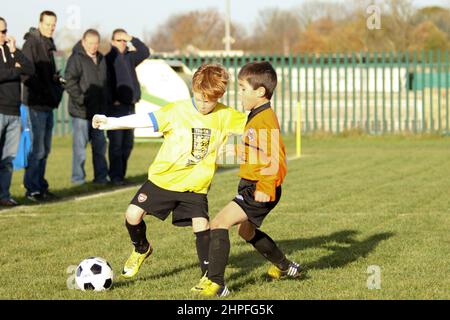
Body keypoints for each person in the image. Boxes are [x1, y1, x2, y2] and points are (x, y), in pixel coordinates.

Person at [92, 64, 247, 280]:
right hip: (162, 180)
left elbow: (254, 124)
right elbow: (146, 120)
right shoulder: (177, 110)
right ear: (194, 89)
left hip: (195, 186)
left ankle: (208, 278)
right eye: (200, 98)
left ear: (219, 96)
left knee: (201, 226)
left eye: (209, 100)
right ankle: (141, 248)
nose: (203, 105)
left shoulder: (226, 115)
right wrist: (112, 122)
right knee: (132, 215)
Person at [195, 61, 303, 298]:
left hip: (259, 188)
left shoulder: (265, 119)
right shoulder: (256, 116)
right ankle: (286, 267)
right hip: (254, 185)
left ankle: (216, 284)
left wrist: (265, 186)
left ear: (260, 92)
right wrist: (233, 152)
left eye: (243, 89)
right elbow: (257, 151)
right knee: (246, 231)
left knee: (219, 224)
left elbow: (276, 158)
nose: (239, 94)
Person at [22, 10, 64, 202]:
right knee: (37, 149)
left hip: (47, 104)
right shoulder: (32, 43)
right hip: (36, 104)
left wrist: (55, 82)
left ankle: (40, 186)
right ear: (39, 23)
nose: (51, 27)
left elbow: (47, 75)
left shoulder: (48, 44)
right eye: (48, 24)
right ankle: (32, 189)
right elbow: (27, 74)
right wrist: (46, 89)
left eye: (53, 24)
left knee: (45, 149)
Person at [105, 29, 150, 186]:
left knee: (127, 143)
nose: (122, 43)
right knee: (116, 144)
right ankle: (115, 176)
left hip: (130, 106)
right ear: (112, 42)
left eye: (125, 40)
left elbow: (145, 52)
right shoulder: (108, 58)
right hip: (117, 107)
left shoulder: (130, 57)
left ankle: (121, 175)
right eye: (119, 40)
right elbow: (105, 82)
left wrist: (131, 38)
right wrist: (112, 100)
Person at [64, 29, 109, 185]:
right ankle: (78, 180)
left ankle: (101, 178)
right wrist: (82, 99)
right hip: (81, 112)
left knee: (100, 148)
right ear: (83, 42)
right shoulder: (76, 59)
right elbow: (69, 82)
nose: (93, 46)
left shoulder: (102, 59)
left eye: (96, 43)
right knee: (80, 149)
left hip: (98, 113)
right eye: (90, 43)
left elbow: (106, 83)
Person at [0, 17, 34, 207]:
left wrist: (15, 52)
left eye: (5, 31)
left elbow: (30, 69)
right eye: (1, 32)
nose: (4, 35)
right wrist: (15, 70)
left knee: (8, 159)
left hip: (14, 111)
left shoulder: (10, 51)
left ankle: (4, 195)